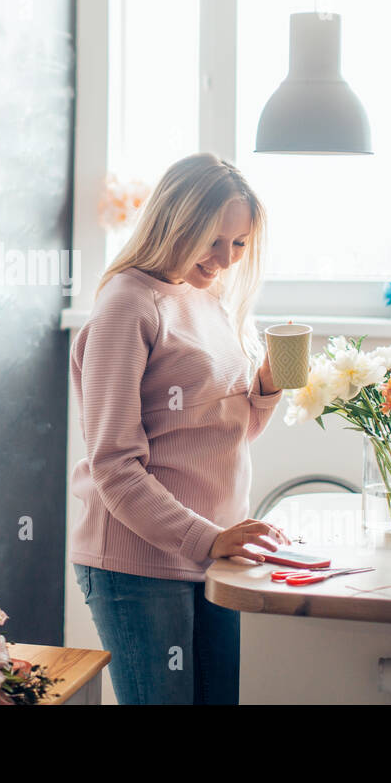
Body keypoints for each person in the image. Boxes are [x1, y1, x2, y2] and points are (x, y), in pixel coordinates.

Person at [70, 152, 289, 705]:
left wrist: (265, 387)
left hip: (211, 553)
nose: (225, 259)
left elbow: (221, 438)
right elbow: (114, 467)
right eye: (213, 239)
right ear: (174, 221)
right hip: (139, 560)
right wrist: (207, 539)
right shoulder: (128, 305)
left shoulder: (209, 300)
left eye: (239, 244)